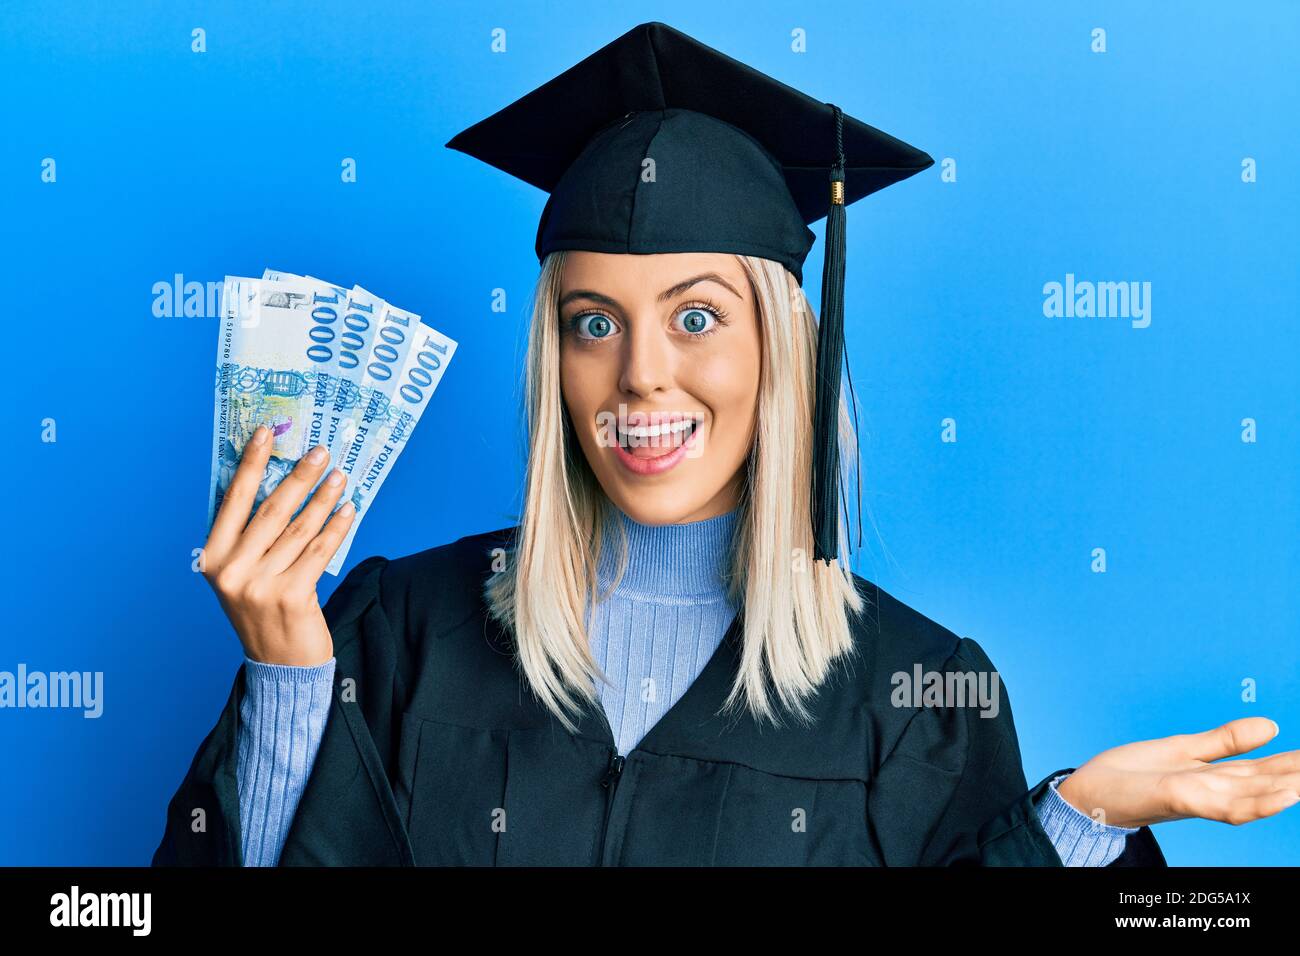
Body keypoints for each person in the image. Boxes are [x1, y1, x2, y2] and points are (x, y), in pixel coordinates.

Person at [154, 22, 1298, 867]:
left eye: (696, 317)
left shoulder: (914, 695)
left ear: (783, 349)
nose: (640, 372)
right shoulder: (399, 631)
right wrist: (289, 680)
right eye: (592, 322)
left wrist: (1077, 824)